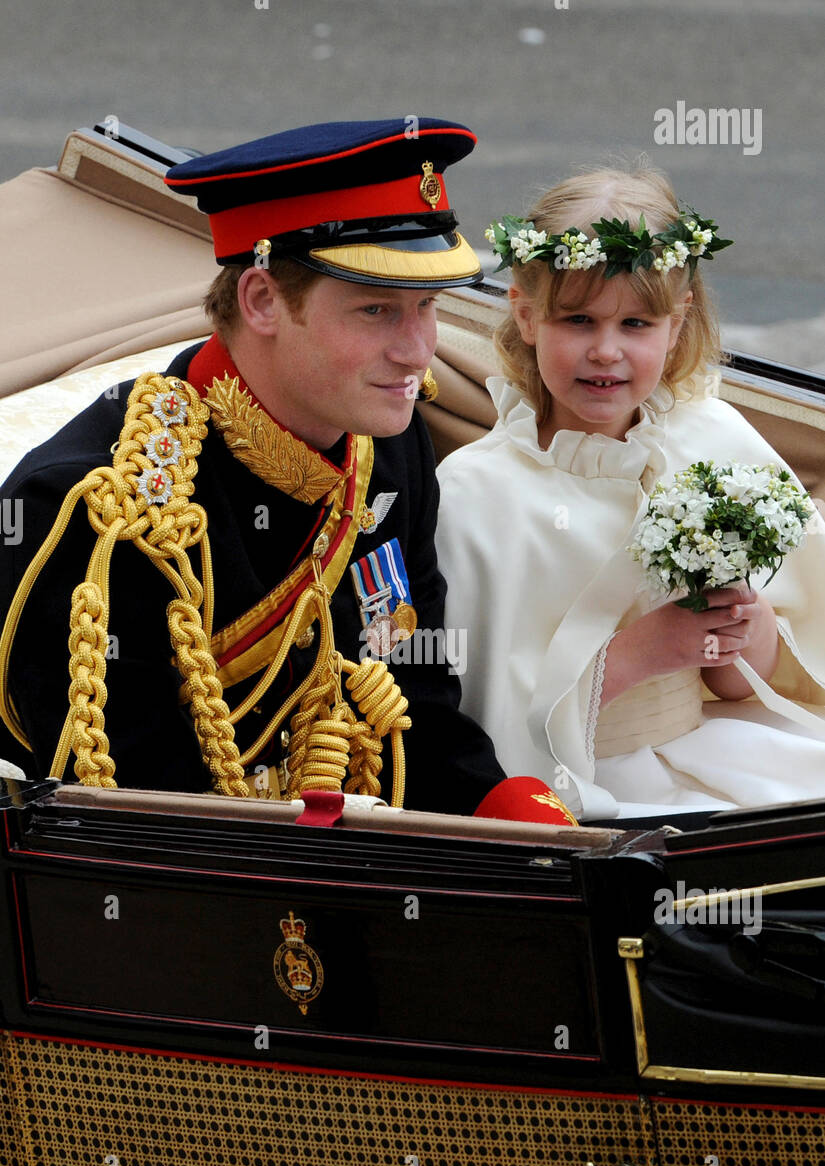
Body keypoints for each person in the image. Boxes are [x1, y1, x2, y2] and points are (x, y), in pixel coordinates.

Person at [0, 117, 542, 819]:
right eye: (377, 311)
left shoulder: (385, 446)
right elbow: (126, 810)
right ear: (260, 301)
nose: (417, 352)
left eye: (427, 307)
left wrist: (508, 814)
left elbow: (412, 696)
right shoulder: (105, 510)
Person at [435, 166, 825, 821]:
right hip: (589, 786)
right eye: (578, 320)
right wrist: (642, 653)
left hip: (718, 741)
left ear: (678, 323)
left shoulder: (714, 436)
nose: (606, 352)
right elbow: (483, 717)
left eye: (637, 324)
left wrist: (743, 631)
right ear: (526, 316)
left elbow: (753, 679)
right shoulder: (475, 495)